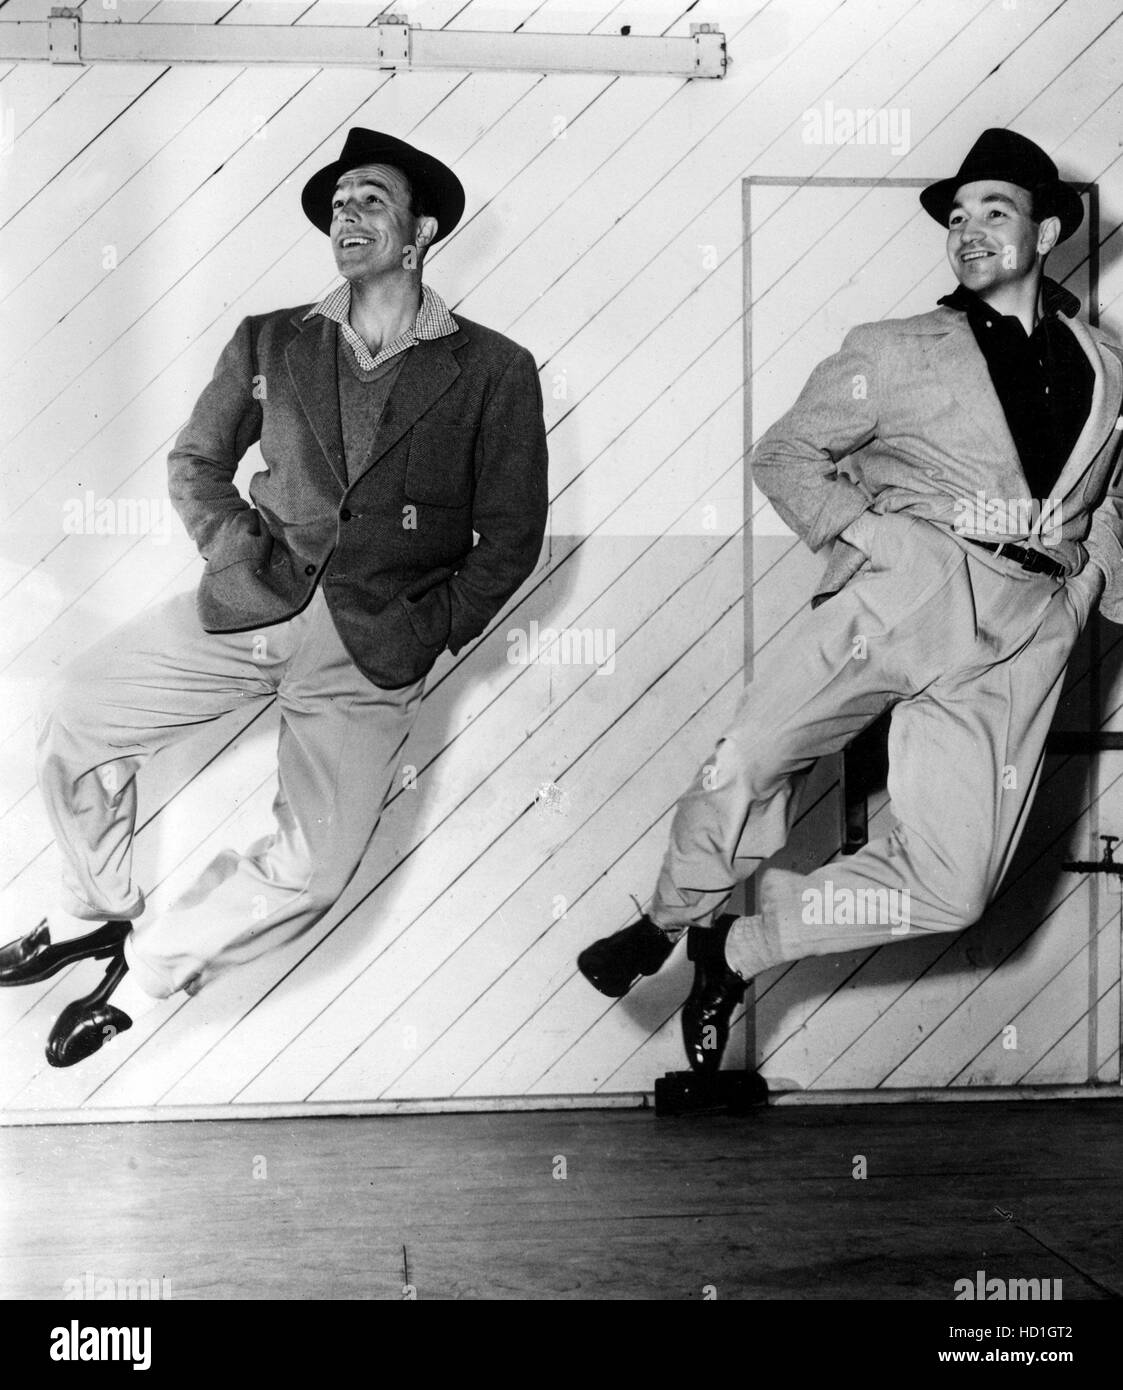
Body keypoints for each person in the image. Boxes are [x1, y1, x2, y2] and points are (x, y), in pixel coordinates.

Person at [577, 128, 1123, 1076]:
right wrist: (873, 537)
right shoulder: (893, 350)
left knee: (955, 889)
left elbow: (1106, 490)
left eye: (994, 211)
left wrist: (1088, 588)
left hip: (1025, 630)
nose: (968, 231)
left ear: (1043, 233)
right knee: (749, 757)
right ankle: (669, 918)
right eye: (956, 217)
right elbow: (784, 455)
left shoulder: (1107, 365)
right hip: (903, 595)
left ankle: (738, 951)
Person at [2, 129, 549, 1068]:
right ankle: (92, 910)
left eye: (370, 199)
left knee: (317, 868)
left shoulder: (494, 369)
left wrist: (431, 632)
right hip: (251, 607)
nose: (346, 213)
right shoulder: (271, 337)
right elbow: (197, 462)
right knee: (79, 707)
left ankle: (141, 968)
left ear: (421, 232)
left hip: (373, 647)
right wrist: (235, 554)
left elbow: (508, 539)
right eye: (337, 203)